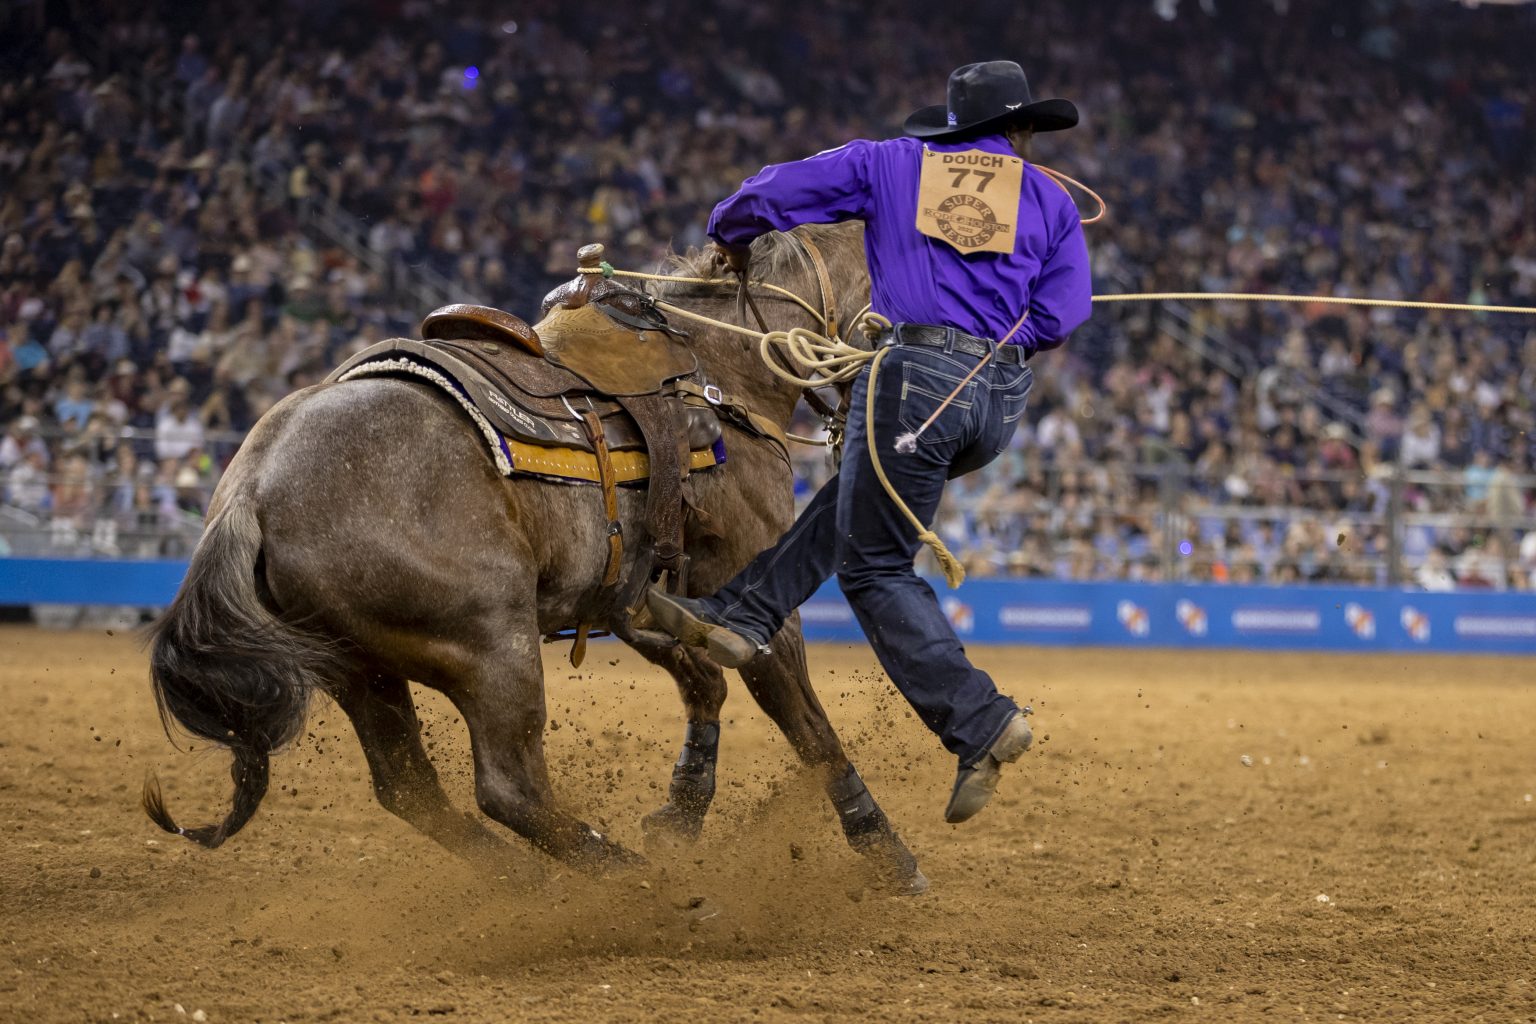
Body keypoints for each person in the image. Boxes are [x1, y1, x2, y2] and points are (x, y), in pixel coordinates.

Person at [645, 61, 1092, 824]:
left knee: (874, 566)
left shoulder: (892, 163)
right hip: (994, 401)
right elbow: (1062, 314)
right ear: (1020, 132)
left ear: (953, 126)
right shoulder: (1049, 199)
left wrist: (730, 232)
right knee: (859, 503)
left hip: (915, 378)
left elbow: (767, 195)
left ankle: (981, 720)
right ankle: (744, 614)